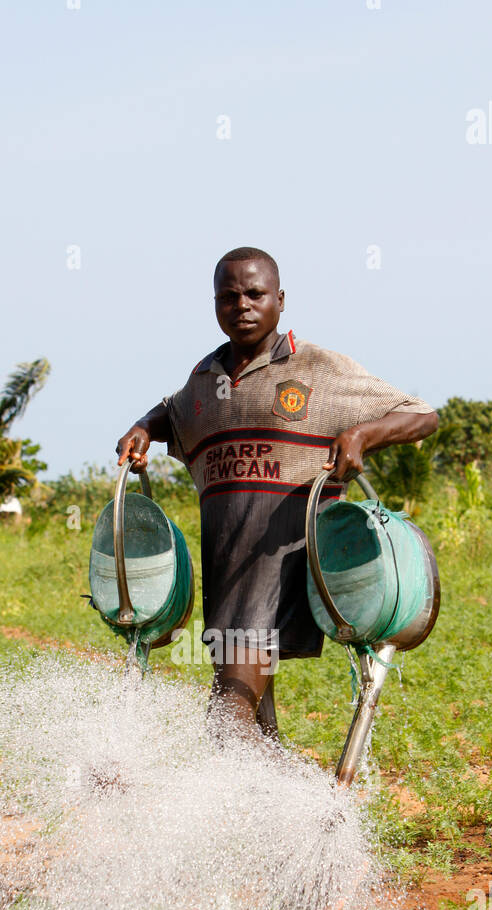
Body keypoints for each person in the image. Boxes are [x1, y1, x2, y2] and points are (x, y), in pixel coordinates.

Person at [115, 247, 438, 740]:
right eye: (228, 296)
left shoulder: (320, 369)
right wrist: (142, 428)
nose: (241, 304)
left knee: (228, 723)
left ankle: (211, 813)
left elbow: (422, 414)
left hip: (287, 564)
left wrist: (360, 436)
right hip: (228, 570)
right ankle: (313, 814)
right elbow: (171, 412)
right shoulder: (204, 379)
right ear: (215, 305)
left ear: (280, 300)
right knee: (258, 730)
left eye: (254, 293)